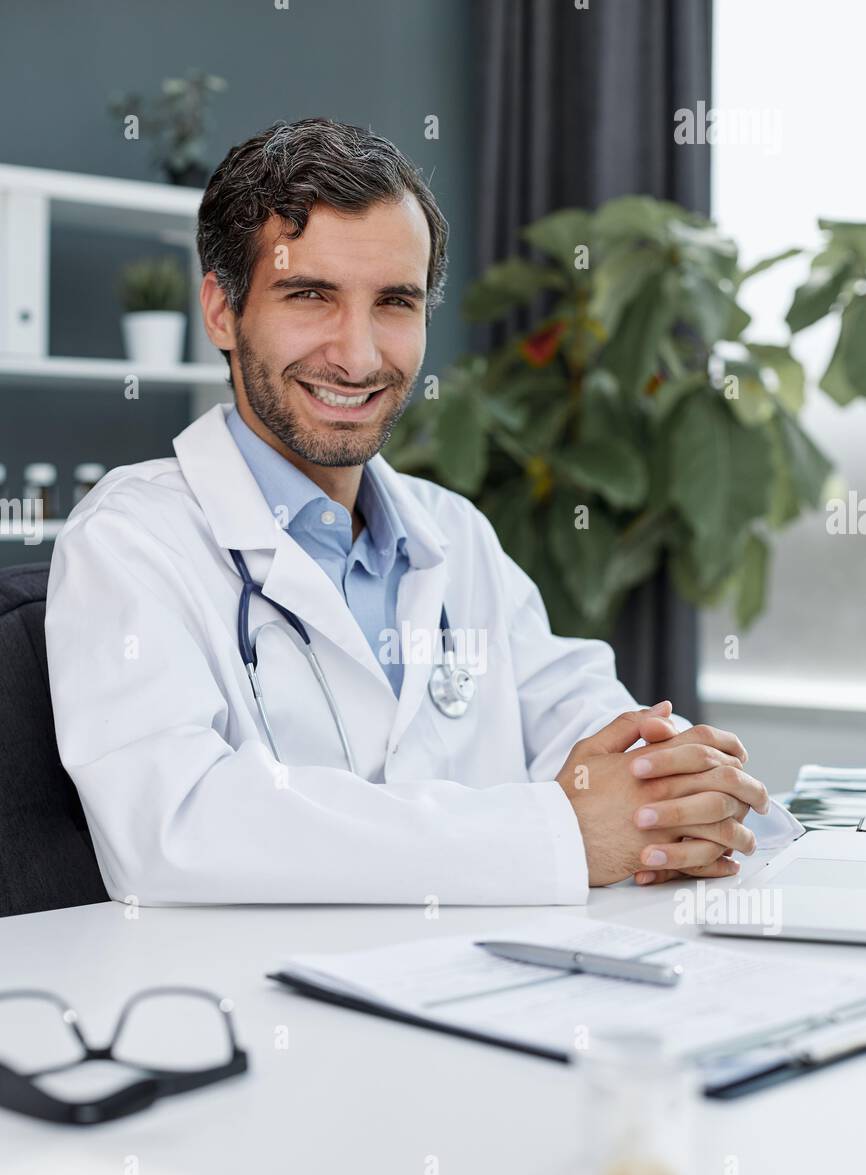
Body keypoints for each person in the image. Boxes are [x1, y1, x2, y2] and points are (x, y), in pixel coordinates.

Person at [45, 118, 797, 908]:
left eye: (395, 303)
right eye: (310, 296)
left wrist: (675, 784)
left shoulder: (454, 534)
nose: (361, 355)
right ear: (223, 312)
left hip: (479, 998)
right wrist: (557, 835)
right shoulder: (129, 540)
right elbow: (174, 833)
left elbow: (580, 712)